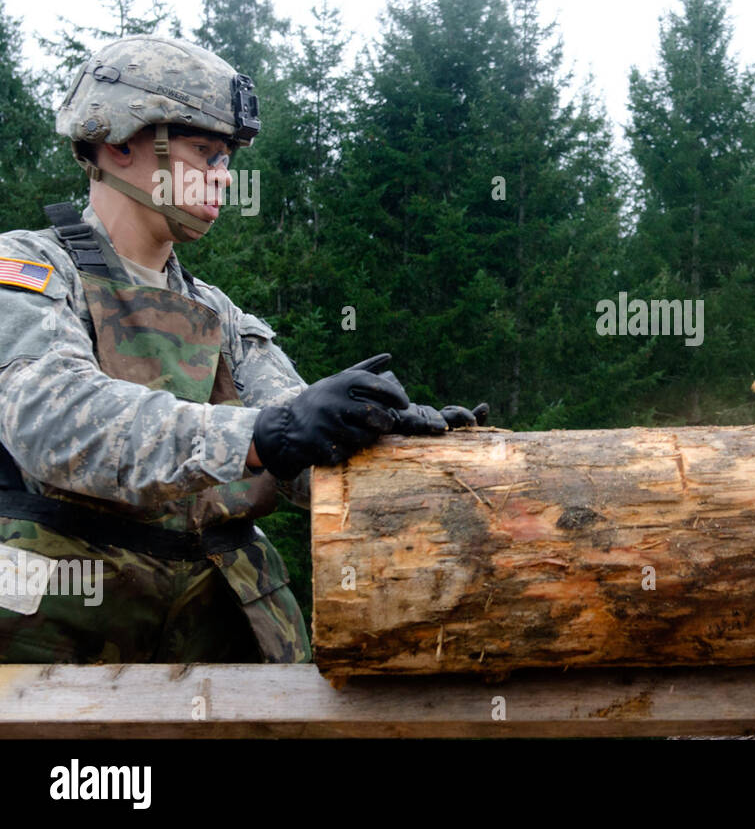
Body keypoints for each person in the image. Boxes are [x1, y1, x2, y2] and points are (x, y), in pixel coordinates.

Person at [0, 35, 486, 664]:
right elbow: (54, 421)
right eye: (204, 153)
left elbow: (300, 446)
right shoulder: (31, 267)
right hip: (66, 627)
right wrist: (260, 436)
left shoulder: (221, 315)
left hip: (219, 625)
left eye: (227, 161)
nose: (222, 180)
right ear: (119, 142)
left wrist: (395, 449)